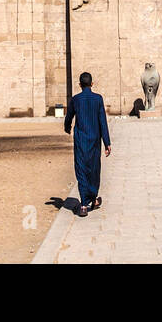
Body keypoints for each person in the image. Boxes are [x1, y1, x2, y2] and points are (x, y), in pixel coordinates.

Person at [64, 72, 111, 217]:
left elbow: (69, 117)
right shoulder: (97, 99)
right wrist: (107, 143)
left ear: (79, 84)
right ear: (92, 83)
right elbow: (102, 121)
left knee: (81, 169)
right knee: (94, 169)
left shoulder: (76, 99)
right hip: (94, 140)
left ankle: (84, 204)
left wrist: (67, 127)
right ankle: (93, 198)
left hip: (80, 140)